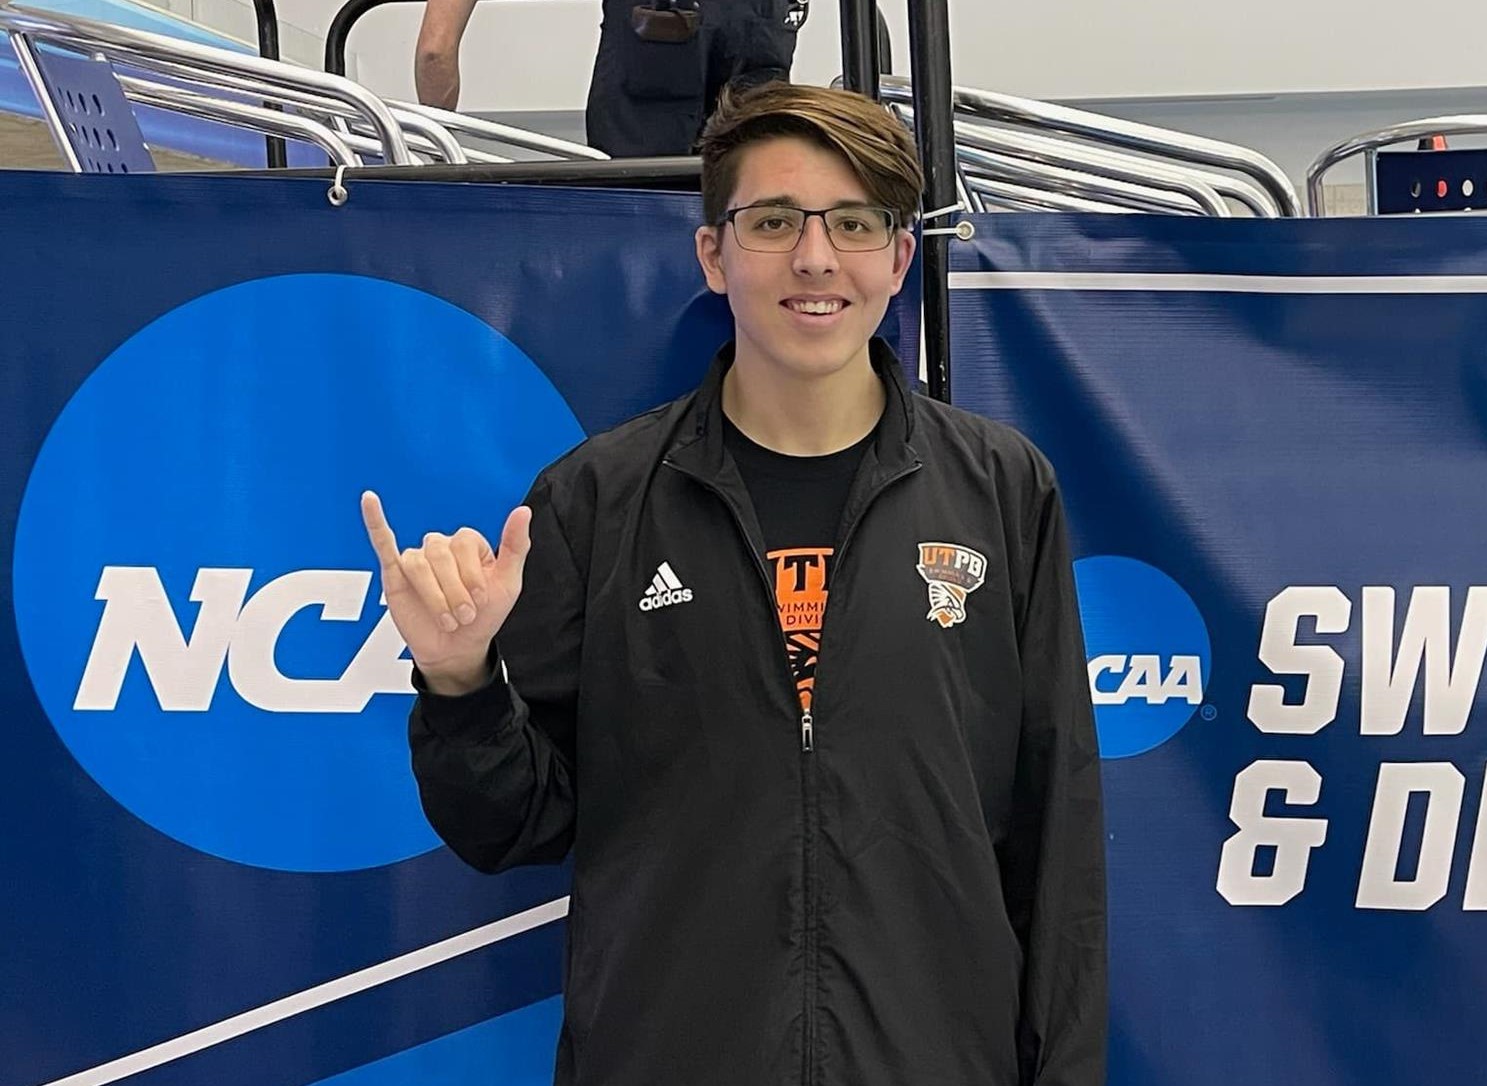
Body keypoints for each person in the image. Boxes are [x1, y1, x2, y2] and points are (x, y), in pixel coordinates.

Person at [359, 81, 1109, 1086]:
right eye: (771, 222)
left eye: (853, 222)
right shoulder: (599, 497)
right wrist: (459, 686)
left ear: (898, 257)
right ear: (713, 254)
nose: (813, 257)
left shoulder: (1002, 489)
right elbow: (512, 829)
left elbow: (1055, 830)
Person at [413, 0, 801, 157]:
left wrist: (433, 153)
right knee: (759, 202)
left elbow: (435, 49)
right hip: (764, 25)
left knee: (639, 214)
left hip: (658, 39)